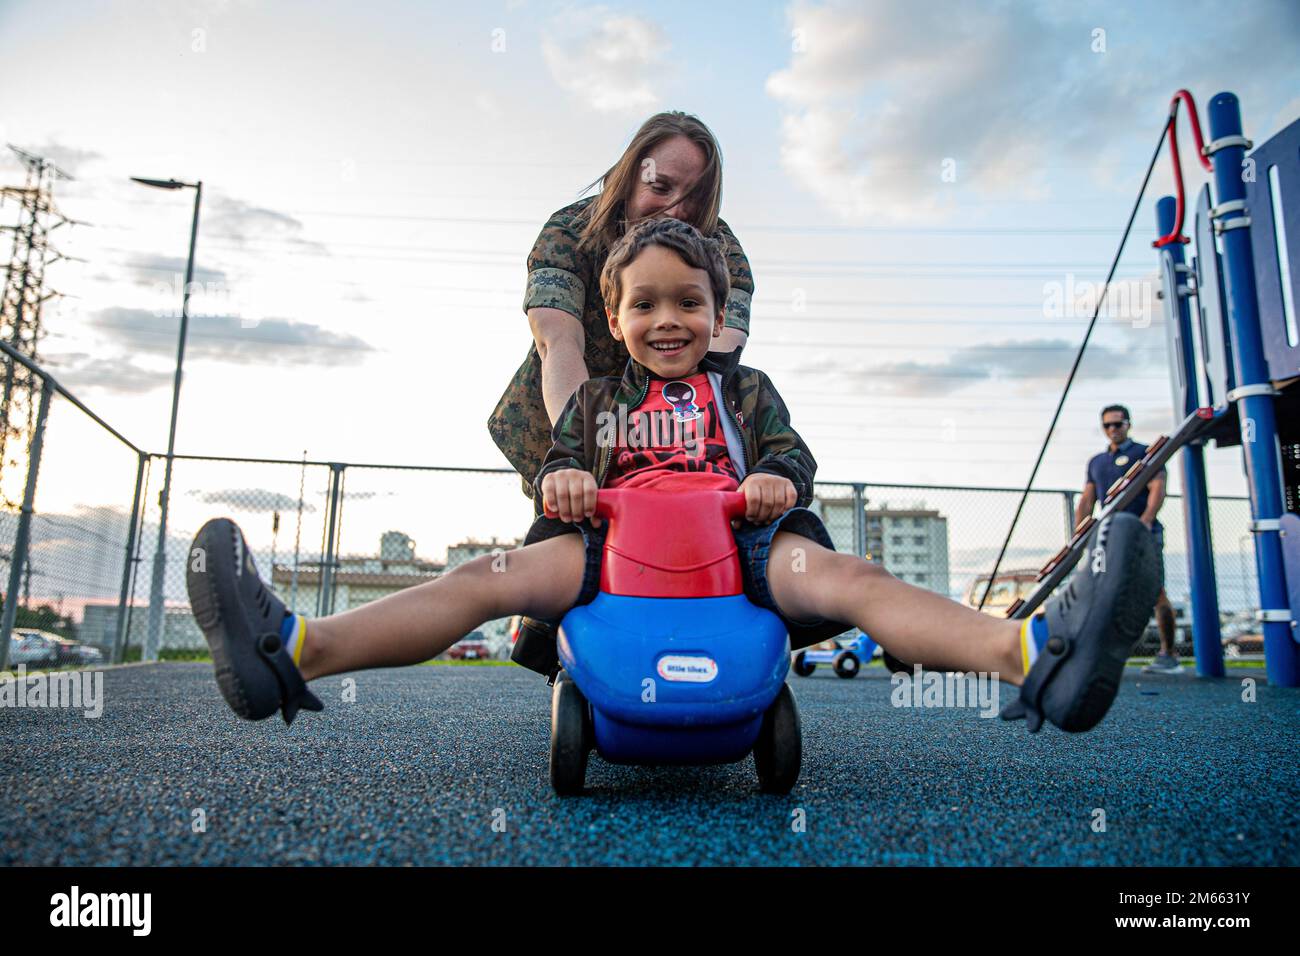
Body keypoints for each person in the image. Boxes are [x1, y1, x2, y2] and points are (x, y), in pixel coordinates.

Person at [186, 218, 1162, 740]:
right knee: (487, 579)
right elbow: (565, 460)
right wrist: (565, 484)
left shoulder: (743, 392)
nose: (667, 319)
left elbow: (790, 453)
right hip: (615, 545)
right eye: (644, 302)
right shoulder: (603, 399)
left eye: (687, 302)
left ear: (715, 311)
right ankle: (292, 649)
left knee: (855, 580)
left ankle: (1035, 655)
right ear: (615, 318)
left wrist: (776, 482)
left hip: (734, 544)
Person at [487, 110, 754, 677]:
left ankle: (683, 665)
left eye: (694, 196)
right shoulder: (569, 231)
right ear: (630, 173)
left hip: (675, 423)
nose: (676, 208)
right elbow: (558, 341)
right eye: (660, 187)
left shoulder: (720, 250)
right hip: (569, 410)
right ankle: (578, 666)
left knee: (678, 548)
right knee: (581, 539)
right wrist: (583, 454)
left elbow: (720, 359)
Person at [1076, 404, 1180, 673]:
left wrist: (1145, 521)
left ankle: (1169, 654)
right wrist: (1079, 533)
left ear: (1128, 425)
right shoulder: (1097, 462)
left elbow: (1158, 488)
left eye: (1117, 424)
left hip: (1143, 533)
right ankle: (1101, 654)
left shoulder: (1144, 454)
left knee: (1155, 592)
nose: (1113, 430)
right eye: (1107, 426)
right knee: (1103, 591)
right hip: (1110, 535)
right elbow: (1087, 499)